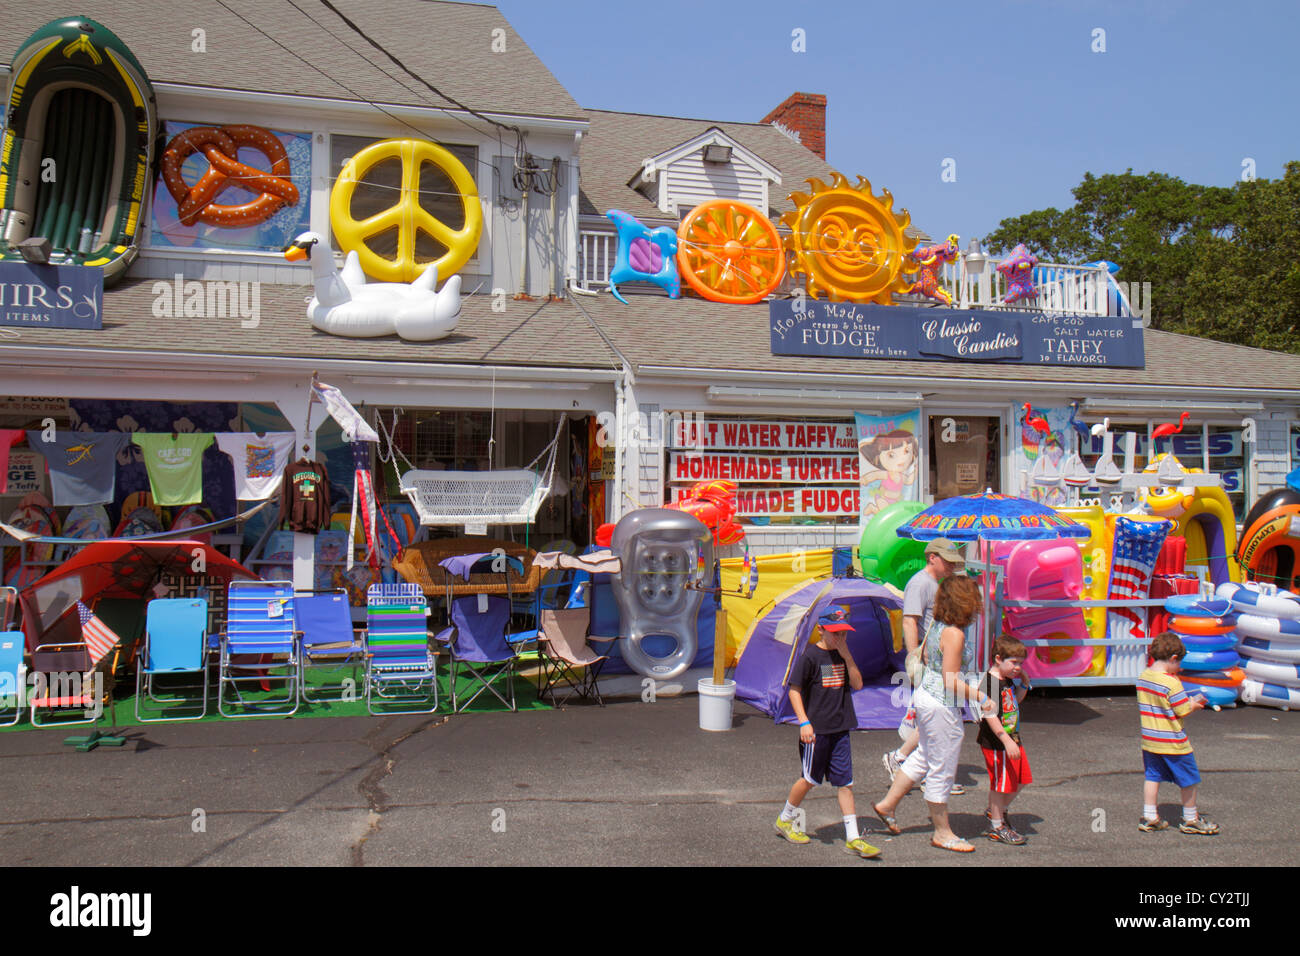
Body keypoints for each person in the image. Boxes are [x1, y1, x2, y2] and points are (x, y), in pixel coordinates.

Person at [872, 574, 994, 852]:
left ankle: (887, 804)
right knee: (942, 766)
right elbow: (951, 679)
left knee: (924, 756)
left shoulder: (939, 625)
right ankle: (942, 832)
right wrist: (982, 697)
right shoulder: (955, 633)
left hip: (926, 696)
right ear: (965, 602)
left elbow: (932, 662)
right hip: (942, 705)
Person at [774, 606, 881, 859]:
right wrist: (803, 723)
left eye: (843, 634)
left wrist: (847, 655)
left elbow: (858, 684)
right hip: (816, 730)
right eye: (835, 634)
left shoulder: (844, 655)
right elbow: (794, 690)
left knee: (845, 783)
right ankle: (785, 818)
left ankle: (853, 837)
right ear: (821, 629)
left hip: (840, 728)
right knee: (809, 779)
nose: (840, 638)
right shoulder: (810, 657)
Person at [883, 538, 967, 795]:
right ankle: (911, 764)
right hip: (927, 660)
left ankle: (909, 763)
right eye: (947, 561)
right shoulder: (921, 583)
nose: (952, 566)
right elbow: (910, 621)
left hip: (934, 659)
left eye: (954, 562)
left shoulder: (933, 584)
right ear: (932, 557)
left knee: (932, 718)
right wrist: (913, 660)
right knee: (937, 716)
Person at [1138, 632, 1220, 835]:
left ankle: (1149, 816)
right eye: (1179, 663)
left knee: (1152, 776)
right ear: (1173, 658)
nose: (1180, 668)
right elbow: (1182, 710)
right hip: (1173, 742)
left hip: (1150, 740)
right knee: (1189, 780)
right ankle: (1191, 819)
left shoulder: (1143, 677)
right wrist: (1194, 705)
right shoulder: (1172, 683)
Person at [978, 636, 1032, 845]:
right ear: (998, 658)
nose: (1018, 667)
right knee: (1001, 785)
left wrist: (1025, 685)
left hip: (1012, 738)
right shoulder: (990, 682)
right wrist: (1006, 741)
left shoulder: (1006, 678)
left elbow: (1013, 702)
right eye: (1014, 662)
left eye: (1021, 663)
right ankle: (997, 826)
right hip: (998, 743)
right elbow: (990, 715)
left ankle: (996, 811)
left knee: (1020, 780)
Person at [860, 429, 919, 515]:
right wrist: (865, 479)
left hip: (895, 501)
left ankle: (873, 509)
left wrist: (916, 470)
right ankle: (871, 507)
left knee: (889, 515)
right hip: (882, 498)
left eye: (906, 451)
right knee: (885, 512)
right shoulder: (886, 474)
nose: (901, 459)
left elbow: (909, 480)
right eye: (891, 455)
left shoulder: (901, 476)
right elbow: (875, 475)